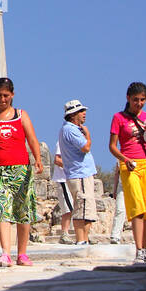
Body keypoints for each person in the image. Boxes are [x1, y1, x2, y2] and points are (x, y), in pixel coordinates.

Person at [0, 76, 42, 266]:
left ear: (12, 95)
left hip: (21, 168)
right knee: (3, 208)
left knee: (23, 209)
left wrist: (37, 159)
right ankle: (5, 252)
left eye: (6, 95)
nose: (2, 99)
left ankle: (22, 253)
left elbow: (32, 139)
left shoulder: (22, 115)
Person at [108, 82, 146, 263]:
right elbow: (112, 146)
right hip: (130, 164)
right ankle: (138, 249)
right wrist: (125, 159)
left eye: (142, 100)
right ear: (128, 98)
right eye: (136, 99)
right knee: (137, 207)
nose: (139, 103)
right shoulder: (118, 117)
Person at [58, 100, 97, 245]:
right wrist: (87, 134)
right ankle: (81, 240)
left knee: (86, 208)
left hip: (80, 174)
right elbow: (85, 147)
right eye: (81, 111)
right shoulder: (71, 130)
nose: (84, 113)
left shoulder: (68, 129)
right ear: (73, 115)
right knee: (82, 207)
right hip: (79, 174)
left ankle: (84, 239)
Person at [52, 137, 73, 243]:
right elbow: (57, 159)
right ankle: (64, 234)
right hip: (63, 179)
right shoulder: (62, 142)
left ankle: (79, 234)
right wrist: (72, 167)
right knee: (68, 207)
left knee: (73, 206)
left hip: (72, 179)